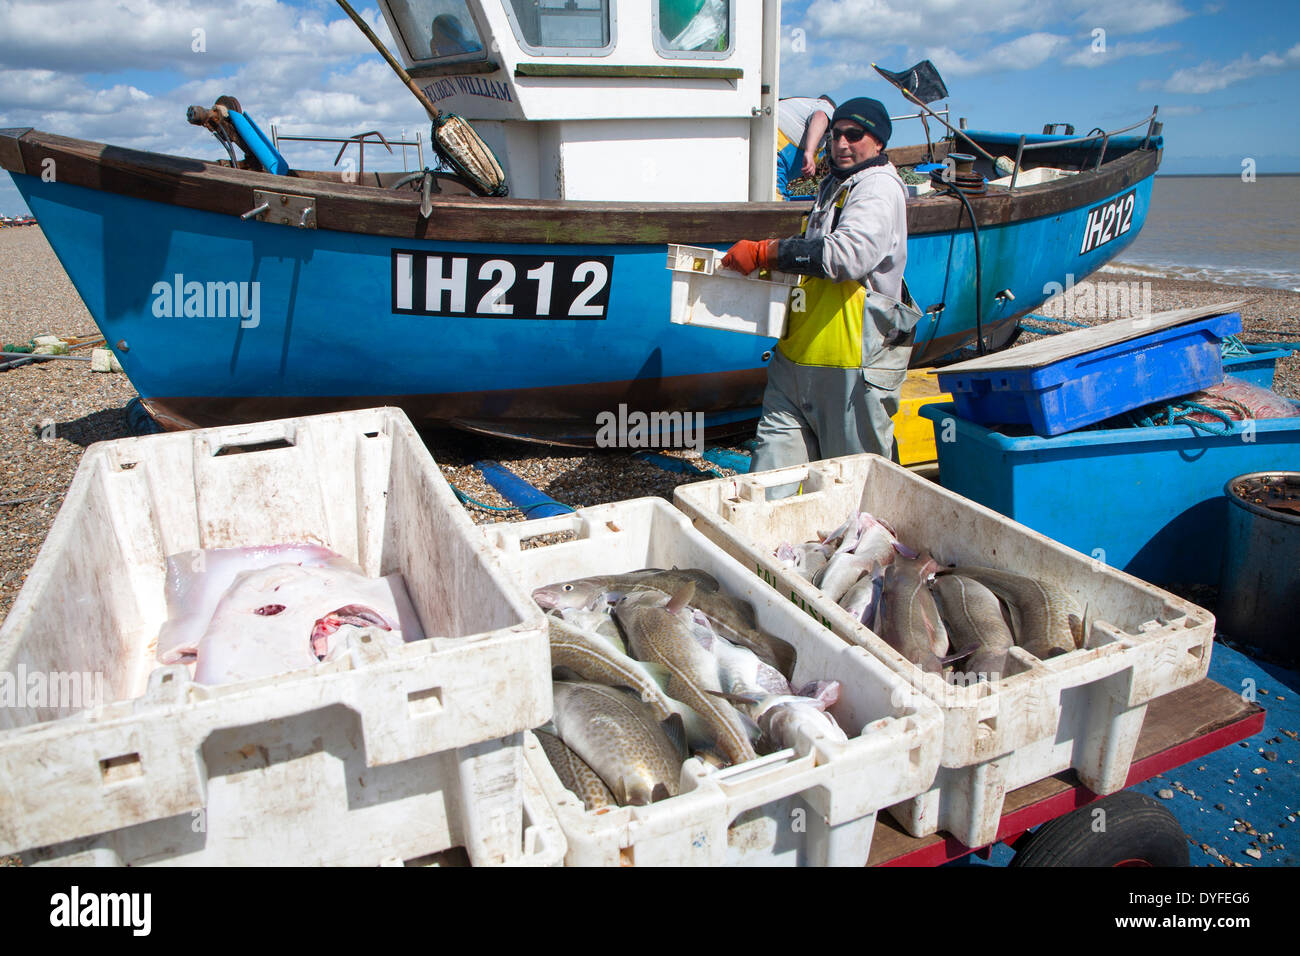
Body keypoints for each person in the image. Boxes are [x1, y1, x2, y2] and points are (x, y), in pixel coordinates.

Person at [722, 96, 922, 497]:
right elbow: (815, 252)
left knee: (855, 488)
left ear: (878, 142)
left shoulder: (878, 187)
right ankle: (765, 553)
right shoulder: (834, 185)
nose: (842, 143)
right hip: (796, 359)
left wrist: (767, 252)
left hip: (854, 366)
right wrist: (769, 265)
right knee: (769, 485)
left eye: (855, 135)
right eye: (836, 135)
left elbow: (846, 256)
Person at [775, 95, 834, 199]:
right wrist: (809, 153)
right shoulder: (825, 106)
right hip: (777, 148)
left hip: (774, 152)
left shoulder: (825, 141)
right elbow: (821, 116)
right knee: (775, 199)